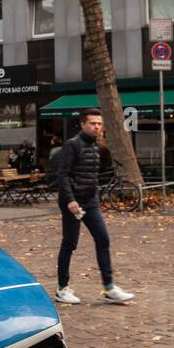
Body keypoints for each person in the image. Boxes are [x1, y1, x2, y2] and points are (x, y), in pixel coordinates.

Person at [53, 109, 136, 305]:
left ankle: (109, 288)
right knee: (70, 243)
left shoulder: (96, 146)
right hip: (72, 202)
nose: (97, 127)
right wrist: (70, 200)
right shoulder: (72, 144)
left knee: (103, 238)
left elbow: (90, 173)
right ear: (83, 124)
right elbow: (62, 175)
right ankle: (62, 289)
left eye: (99, 123)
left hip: (91, 202)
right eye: (92, 123)